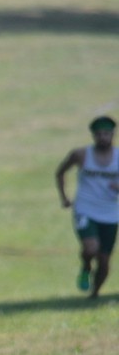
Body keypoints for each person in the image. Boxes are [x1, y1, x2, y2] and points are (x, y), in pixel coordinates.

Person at [55, 116, 118, 298]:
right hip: (85, 209)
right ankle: (85, 267)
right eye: (99, 134)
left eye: (106, 133)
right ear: (93, 135)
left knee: (105, 261)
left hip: (111, 213)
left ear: (113, 134)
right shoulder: (81, 155)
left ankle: (94, 294)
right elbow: (60, 172)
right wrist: (64, 197)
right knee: (90, 248)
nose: (103, 137)